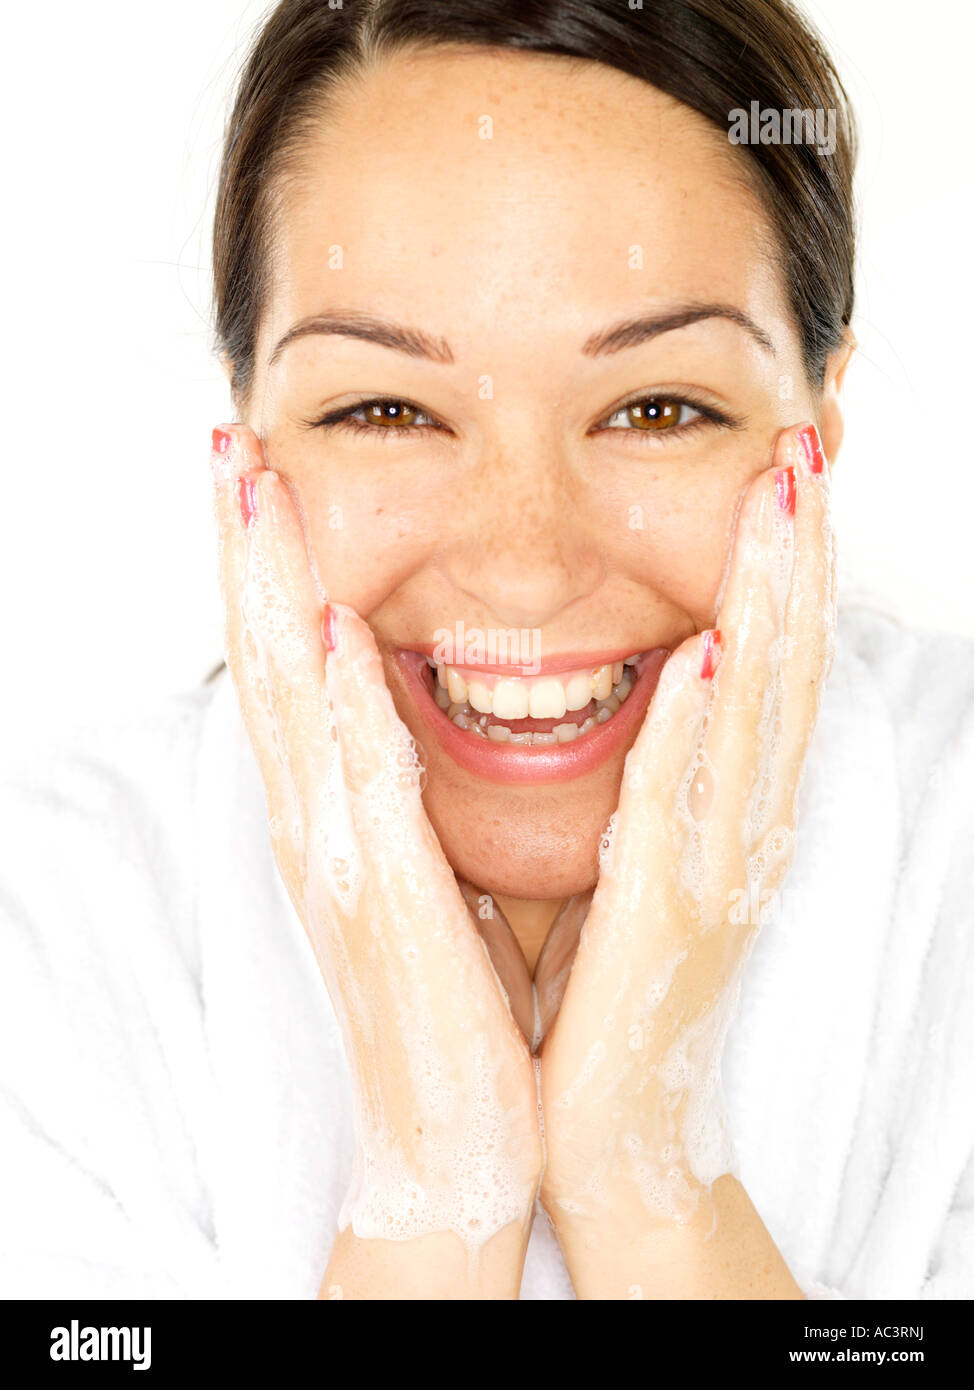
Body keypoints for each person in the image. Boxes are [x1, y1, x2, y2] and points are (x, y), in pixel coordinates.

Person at [2, 0, 972, 1300]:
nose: (524, 561)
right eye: (386, 407)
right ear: (249, 442)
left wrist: (650, 1175)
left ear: (817, 427)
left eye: (655, 407)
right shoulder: (49, 927)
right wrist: (435, 1180)